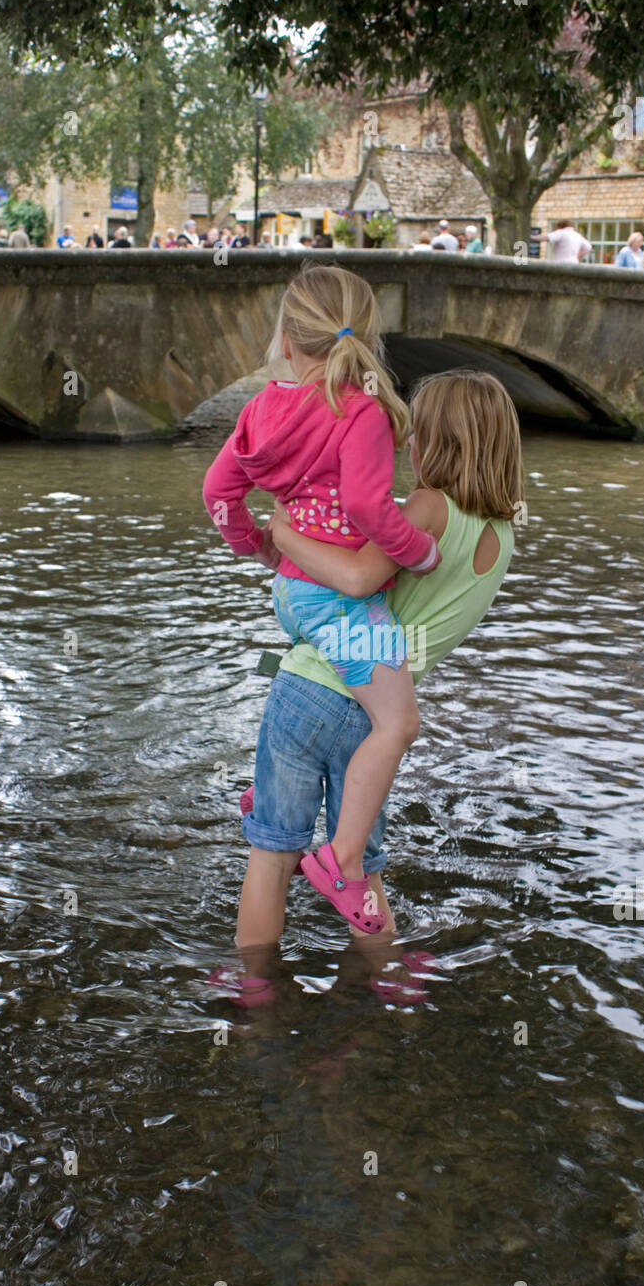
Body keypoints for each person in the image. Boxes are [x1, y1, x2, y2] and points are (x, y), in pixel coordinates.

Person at [223, 369, 522, 996]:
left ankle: (256, 991)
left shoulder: (428, 508)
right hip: (374, 714)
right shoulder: (502, 535)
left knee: (273, 854)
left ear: (435, 442)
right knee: (358, 862)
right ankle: (383, 968)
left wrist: (281, 535)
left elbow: (355, 578)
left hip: (313, 688)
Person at [203, 265, 442, 935]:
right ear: (364, 340)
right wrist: (417, 551)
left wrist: (258, 547)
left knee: (273, 834)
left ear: (285, 336)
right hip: (340, 602)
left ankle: (256, 989)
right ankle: (345, 872)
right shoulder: (358, 412)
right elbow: (369, 507)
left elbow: (217, 496)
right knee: (397, 722)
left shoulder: (259, 411)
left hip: (293, 594)